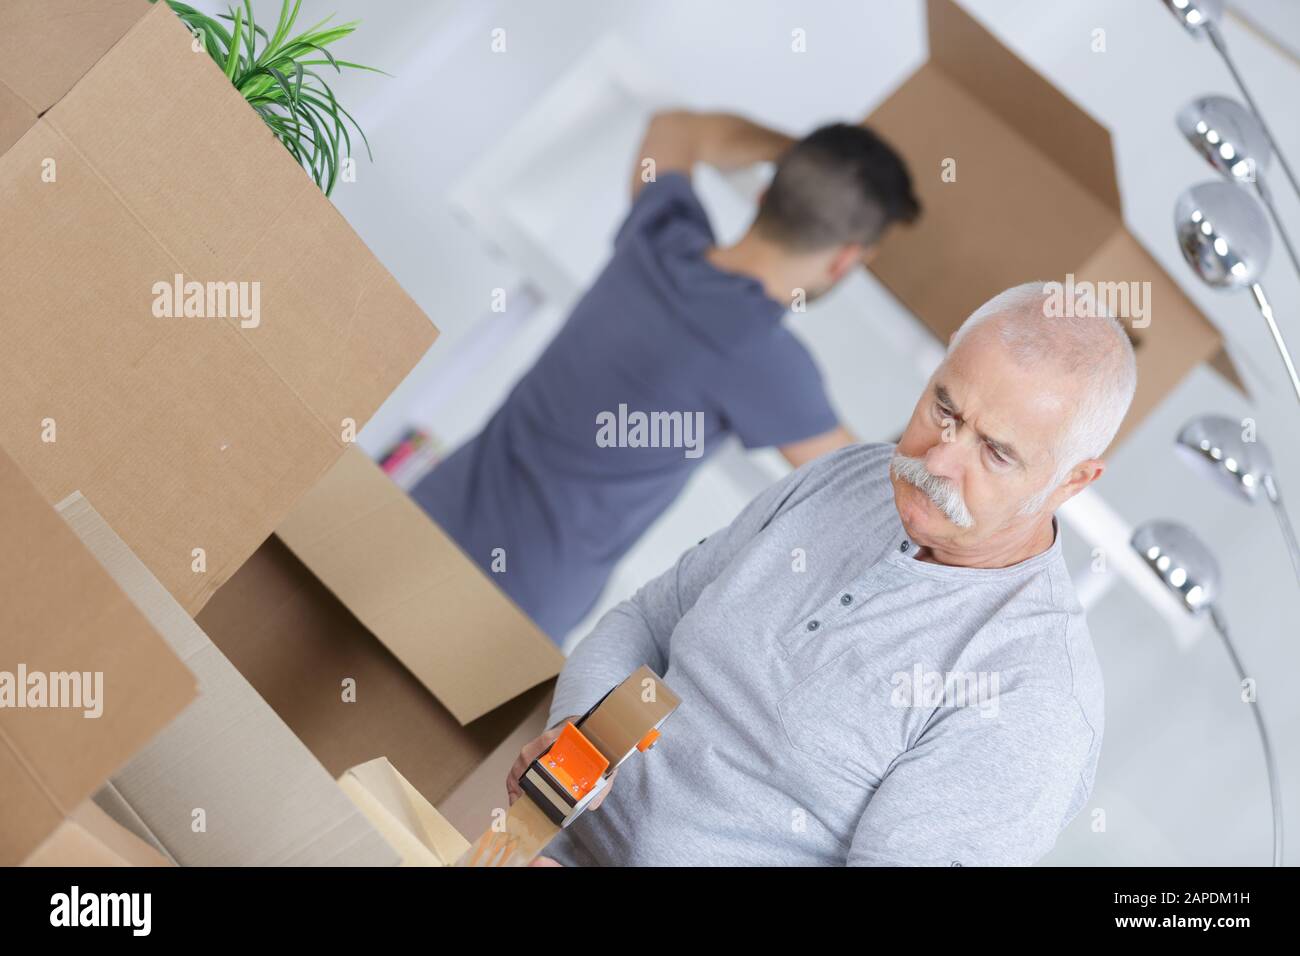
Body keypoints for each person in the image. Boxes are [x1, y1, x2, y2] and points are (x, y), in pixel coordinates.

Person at [512, 282, 1137, 866]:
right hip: (536, 842)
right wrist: (574, 738)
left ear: (1073, 481)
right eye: (944, 408)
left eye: (996, 452)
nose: (938, 459)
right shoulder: (851, 477)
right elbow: (649, 623)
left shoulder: (1033, 700)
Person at [410, 111, 920, 642]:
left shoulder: (659, 233)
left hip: (425, 511)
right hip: (512, 605)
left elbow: (674, 128)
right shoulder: (765, 360)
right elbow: (873, 498)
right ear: (844, 261)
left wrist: (802, 164)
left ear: (766, 198)